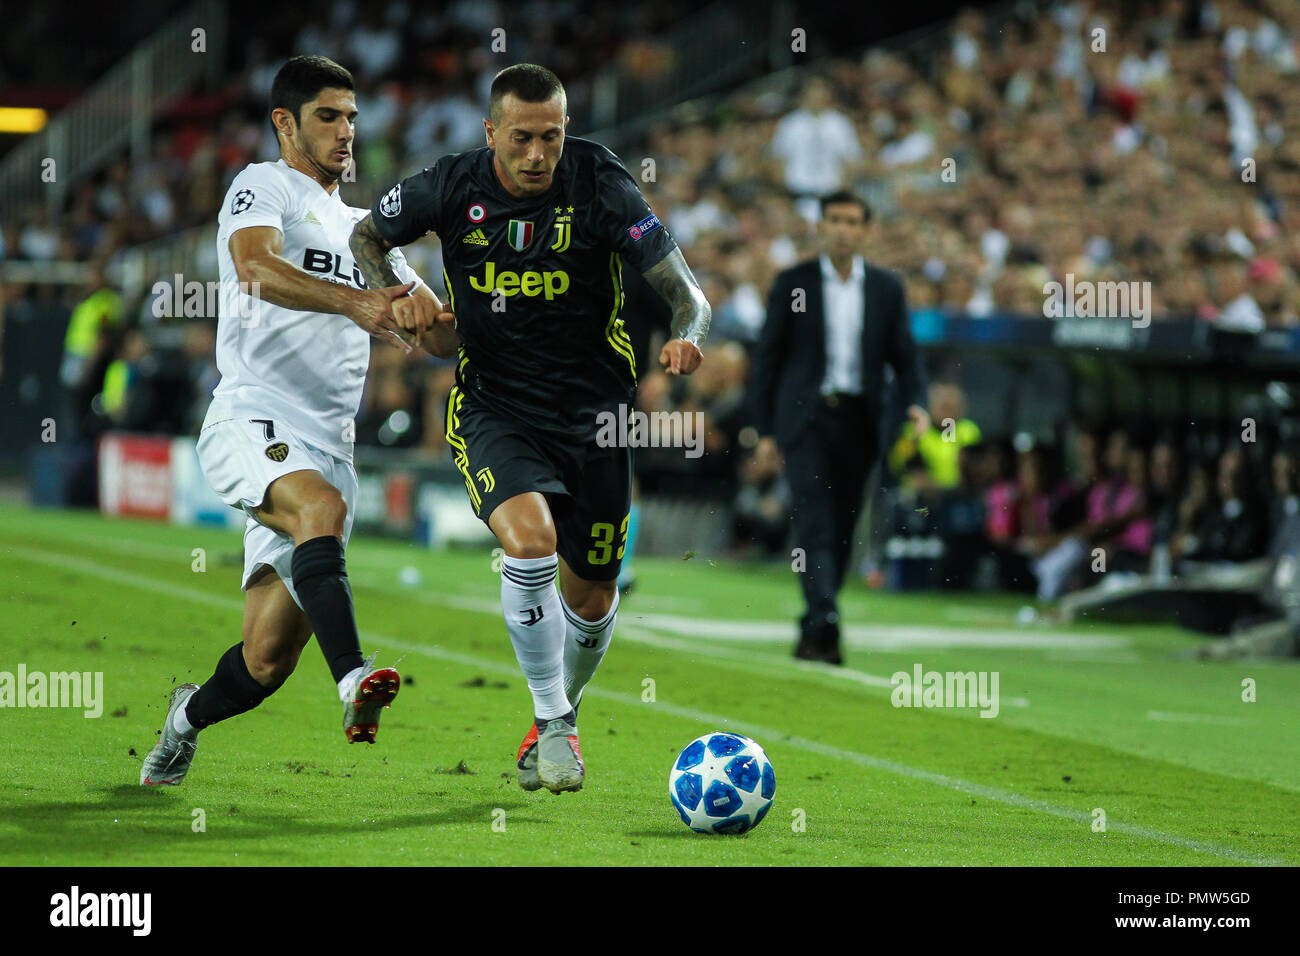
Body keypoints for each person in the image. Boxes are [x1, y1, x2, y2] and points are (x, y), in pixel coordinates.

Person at [349, 64, 710, 794]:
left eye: (552, 135)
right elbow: (366, 236)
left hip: (599, 422)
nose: (539, 153)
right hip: (495, 407)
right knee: (530, 541)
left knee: (593, 599)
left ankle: (559, 713)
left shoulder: (602, 184)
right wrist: (400, 293)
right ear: (492, 134)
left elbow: (688, 295)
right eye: (522, 138)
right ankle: (552, 725)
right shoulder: (448, 186)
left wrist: (689, 335)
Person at [141, 56, 442, 786]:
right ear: (286, 122)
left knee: (264, 664)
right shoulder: (261, 186)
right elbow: (255, 269)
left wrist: (479, 323)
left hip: (329, 446)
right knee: (321, 509)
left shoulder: (368, 233)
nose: (347, 133)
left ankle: (184, 720)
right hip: (252, 415)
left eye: (353, 118)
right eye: (329, 116)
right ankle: (353, 684)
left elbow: (431, 326)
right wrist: (360, 303)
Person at [750, 190, 929, 664]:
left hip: (862, 421)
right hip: (806, 420)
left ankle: (817, 623)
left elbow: (906, 358)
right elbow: (767, 359)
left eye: (852, 221)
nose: (842, 229)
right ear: (821, 227)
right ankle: (825, 614)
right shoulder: (794, 282)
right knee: (814, 518)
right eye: (834, 220)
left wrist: (916, 404)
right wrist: (764, 431)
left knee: (846, 523)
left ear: (866, 230)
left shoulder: (887, 289)